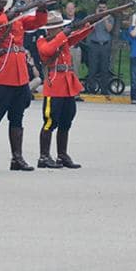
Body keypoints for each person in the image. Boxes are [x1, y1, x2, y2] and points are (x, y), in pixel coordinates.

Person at [0, 0, 49, 172]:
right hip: (0, 76)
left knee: (17, 118)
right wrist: (7, 14)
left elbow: (38, 22)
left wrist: (41, 9)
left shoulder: (17, 20)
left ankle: (17, 158)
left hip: (19, 76)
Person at [37, 11, 94, 169]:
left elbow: (77, 36)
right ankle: (43, 156)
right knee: (50, 122)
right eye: (58, 27)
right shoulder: (42, 41)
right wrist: (64, 34)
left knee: (66, 120)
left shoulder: (62, 39)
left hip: (67, 85)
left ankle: (62, 155)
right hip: (54, 85)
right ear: (50, 29)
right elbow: (48, 51)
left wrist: (89, 26)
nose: (61, 29)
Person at [84, 1, 114, 94]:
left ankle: (104, 90)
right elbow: (88, 28)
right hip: (94, 45)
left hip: (105, 45)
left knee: (104, 68)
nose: (102, 9)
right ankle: (92, 89)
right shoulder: (92, 17)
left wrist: (104, 18)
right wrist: (96, 16)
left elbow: (109, 29)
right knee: (92, 68)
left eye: (103, 7)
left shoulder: (110, 17)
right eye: (100, 7)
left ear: (106, 8)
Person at [63, 2, 83, 78]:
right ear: (65, 10)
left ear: (75, 9)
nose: (70, 10)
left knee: (75, 71)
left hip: (75, 48)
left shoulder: (79, 21)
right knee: (65, 70)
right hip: (64, 49)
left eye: (72, 8)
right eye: (68, 8)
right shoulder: (62, 22)